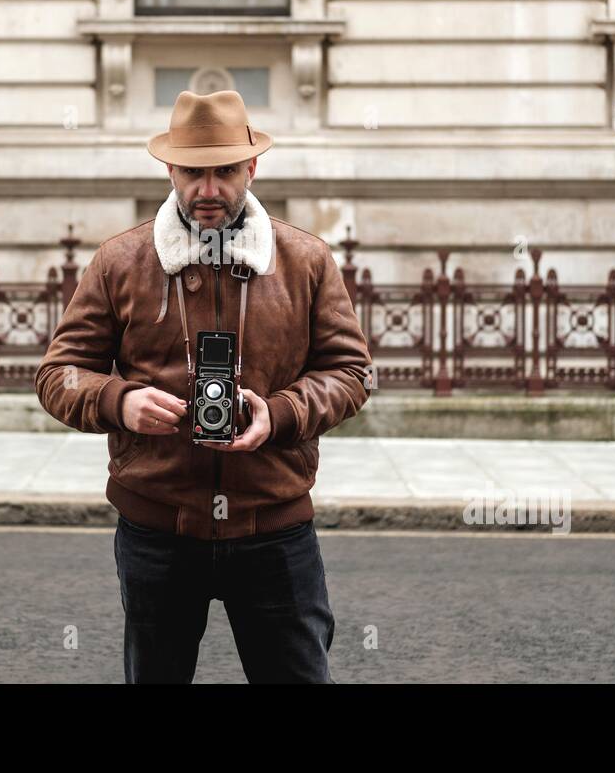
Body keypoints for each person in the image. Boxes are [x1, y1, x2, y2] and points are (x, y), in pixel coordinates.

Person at [34, 89, 374, 683]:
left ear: (252, 167)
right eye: (193, 172)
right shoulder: (120, 261)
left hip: (274, 526)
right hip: (158, 528)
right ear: (170, 169)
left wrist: (282, 413)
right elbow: (58, 376)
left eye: (223, 171)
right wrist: (119, 400)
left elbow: (352, 373)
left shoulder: (306, 260)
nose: (208, 190)